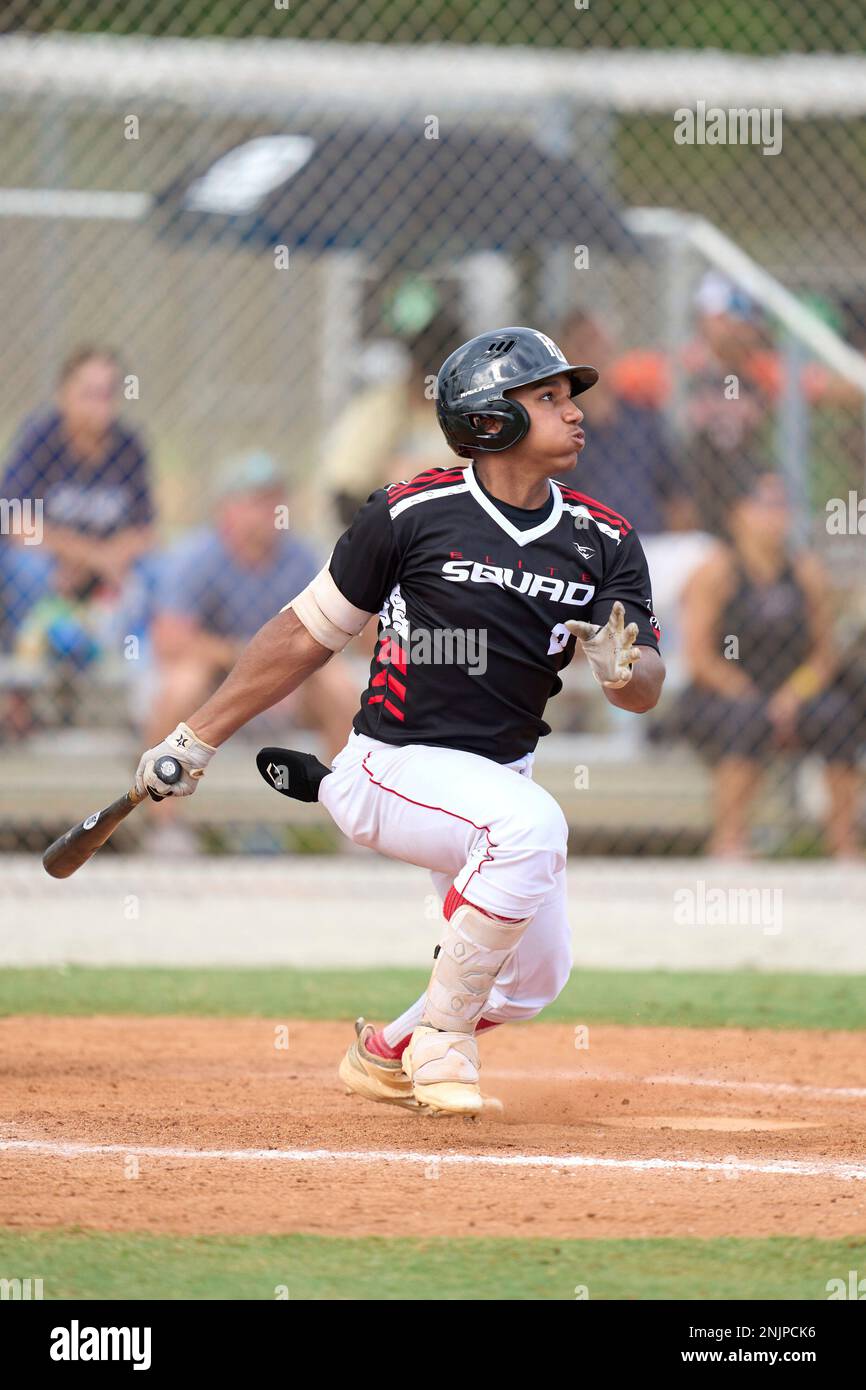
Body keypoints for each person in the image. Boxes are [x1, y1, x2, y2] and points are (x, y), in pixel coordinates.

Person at [132, 327, 665, 1115]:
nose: (575, 412)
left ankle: (386, 1051)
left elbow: (644, 685)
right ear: (490, 418)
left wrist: (627, 669)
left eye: (570, 396)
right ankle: (444, 1044)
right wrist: (194, 736)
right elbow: (304, 633)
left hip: (494, 784)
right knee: (532, 830)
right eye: (548, 397)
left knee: (534, 980)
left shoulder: (604, 538)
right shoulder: (412, 513)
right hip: (392, 764)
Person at [677, 471, 862, 858]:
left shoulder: (805, 572)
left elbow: (824, 654)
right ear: (737, 514)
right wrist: (748, 693)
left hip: (792, 693)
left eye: (781, 505)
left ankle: (844, 843)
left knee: (839, 717)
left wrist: (796, 693)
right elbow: (699, 658)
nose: (774, 515)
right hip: (725, 692)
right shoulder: (716, 571)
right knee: (747, 717)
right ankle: (729, 842)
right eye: (763, 504)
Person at [552, 309, 692, 535]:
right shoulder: (556, 424)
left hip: (646, 543)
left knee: (708, 554)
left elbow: (677, 496)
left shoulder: (643, 419)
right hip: (583, 543)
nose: (594, 353)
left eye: (601, 344)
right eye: (583, 344)